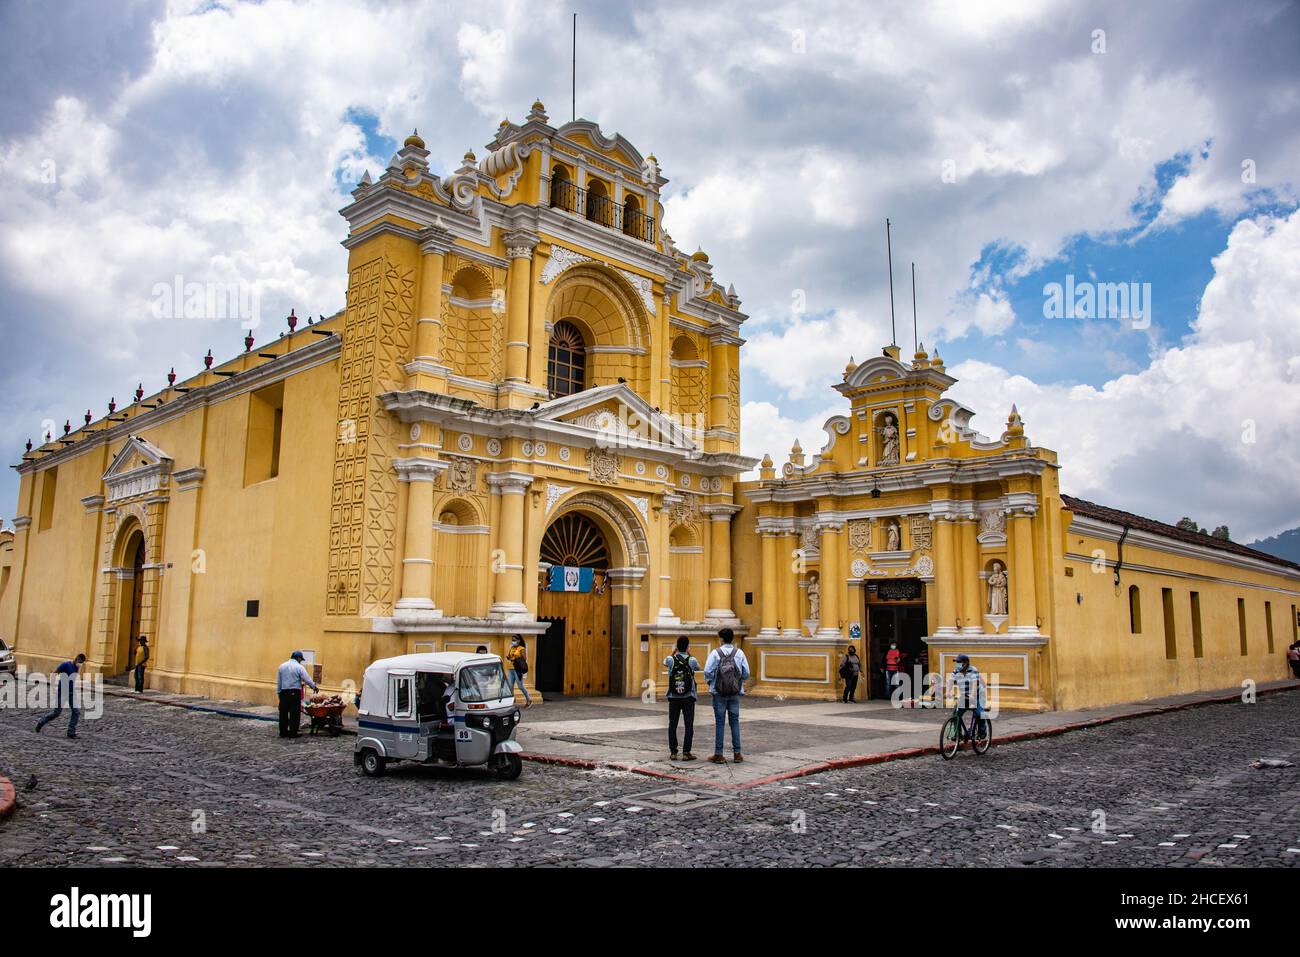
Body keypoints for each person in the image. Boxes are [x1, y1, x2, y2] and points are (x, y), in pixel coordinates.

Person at [703, 627, 750, 764]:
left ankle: (719, 754)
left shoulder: (715, 653)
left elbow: (707, 671)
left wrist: (711, 681)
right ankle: (737, 753)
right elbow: (746, 672)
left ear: (721, 639)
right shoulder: (739, 653)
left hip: (719, 692)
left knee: (720, 723)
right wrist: (737, 681)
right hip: (735, 693)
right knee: (734, 722)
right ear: (732, 638)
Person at [664, 635, 701, 760]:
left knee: (672, 724)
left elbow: (665, 663)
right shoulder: (692, 660)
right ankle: (686, 753)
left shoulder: (670, 659)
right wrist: (688, 653)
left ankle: (673, 752)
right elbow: (698, 668)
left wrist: (674, 652)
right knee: (688, 725)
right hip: (688, 697)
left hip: (673, 696)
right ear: (687, 646)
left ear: (676, 646)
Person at [36, 654, 87, 738]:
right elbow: (54, 673)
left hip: (71, 692)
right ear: (76, 659)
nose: (80, 664)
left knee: (76, 712)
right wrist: (53, 687)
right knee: (56, 713)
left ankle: (71, 732)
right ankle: (41, 722)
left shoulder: (77, 668)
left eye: (82, 663)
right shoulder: (66, 665)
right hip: (62, 692)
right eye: (80, 662)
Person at [276, 650, 318, 738]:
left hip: (284, 692)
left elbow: (279, 681)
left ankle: (283, 732)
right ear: (298, 658)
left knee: (283, 713)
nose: (301, 661)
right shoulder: (299, 667)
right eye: (301, 659)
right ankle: (293, 732)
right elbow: (307, 679)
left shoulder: (282, 666)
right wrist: (314, 686)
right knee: (294, 713)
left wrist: (279, 693)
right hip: (295, 692)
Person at [949, 653, 985, 734]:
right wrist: (948, 693)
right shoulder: (955, 671)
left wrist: (972, 695)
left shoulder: (973, 670)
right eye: (956, 662)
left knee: (979, 714)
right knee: (956, 715)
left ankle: (982, 731)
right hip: (964, 695)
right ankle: (957, 735)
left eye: (959, 662)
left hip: (977, 695)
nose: (957, 664)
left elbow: (975, 683)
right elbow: (950, 682)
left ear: (966, 663)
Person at [505, 634, 532, 707]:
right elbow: (510, 656)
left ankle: (529, 699)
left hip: (518, 669)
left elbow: (524, 659)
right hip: (511, 668)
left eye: (514, 640)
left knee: (520, 686)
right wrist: (509, 657)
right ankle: (512, 700)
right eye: (512, 640)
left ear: (519, 640)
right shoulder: (512, 648)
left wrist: (515, 659)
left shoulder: (522, 648)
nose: (513, 641)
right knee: (510, 686)